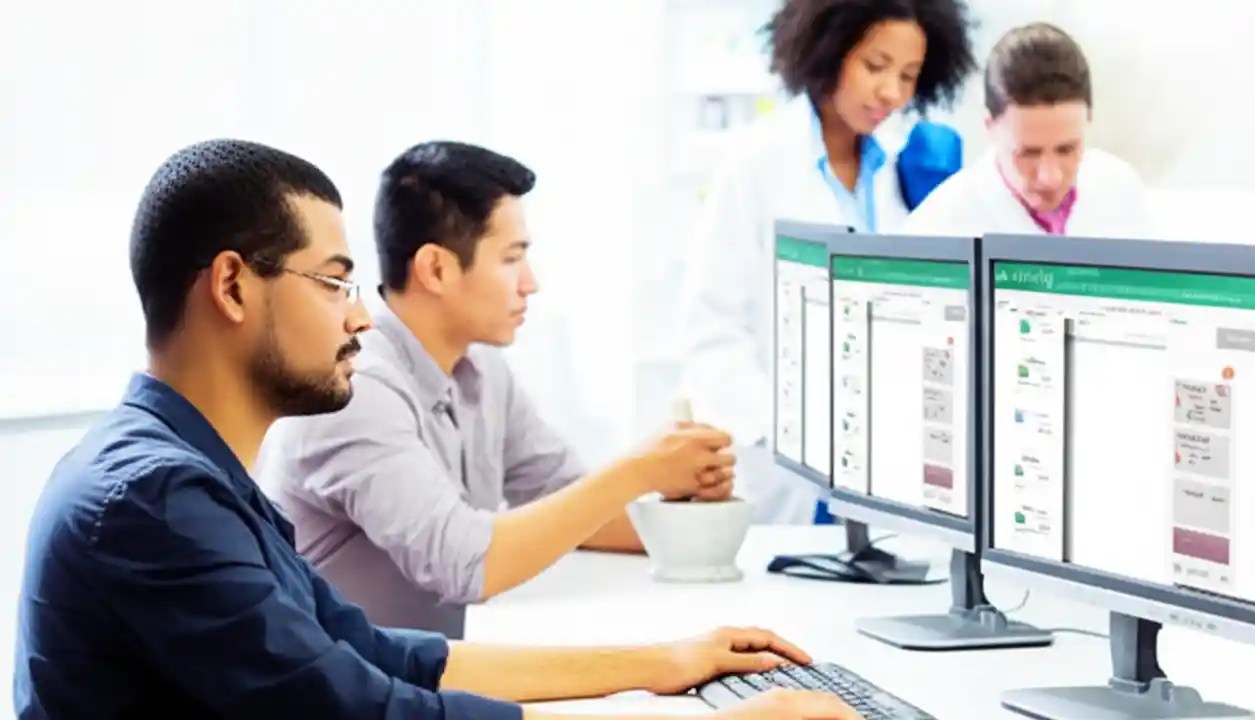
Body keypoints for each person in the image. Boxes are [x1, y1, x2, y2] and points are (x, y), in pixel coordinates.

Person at [13, 138, 856, 720]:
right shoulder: (155, 501)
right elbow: (363, 709)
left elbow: (380, 655)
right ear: (233, 287)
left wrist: (666, 663)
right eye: (334, 284)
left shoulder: (194, 478)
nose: (359, 318)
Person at [255, 141, 737, 636]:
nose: (530, 283)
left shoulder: (481, 368)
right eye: (511, 259)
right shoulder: (357, 387)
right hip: (350, 676)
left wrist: (683, 498)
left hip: (432, 662)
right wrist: (640, 469)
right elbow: (462, 564)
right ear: (436, 269)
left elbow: (575, 505)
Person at [677, 0, 977, 525]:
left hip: (883, 466)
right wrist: (782, 433)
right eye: (875, 66)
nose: (891, 92)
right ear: (830, 51)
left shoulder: (898, 174)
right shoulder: (756, 167)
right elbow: (713, 330)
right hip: (781, 474)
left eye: (908, 75)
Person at [901, 22, 1148, 237]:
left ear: (1089, 119)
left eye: (1067, 150)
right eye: (1029, 153)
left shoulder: (1121, 190)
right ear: (990, 128)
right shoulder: (938, 227)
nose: (1050, 178)